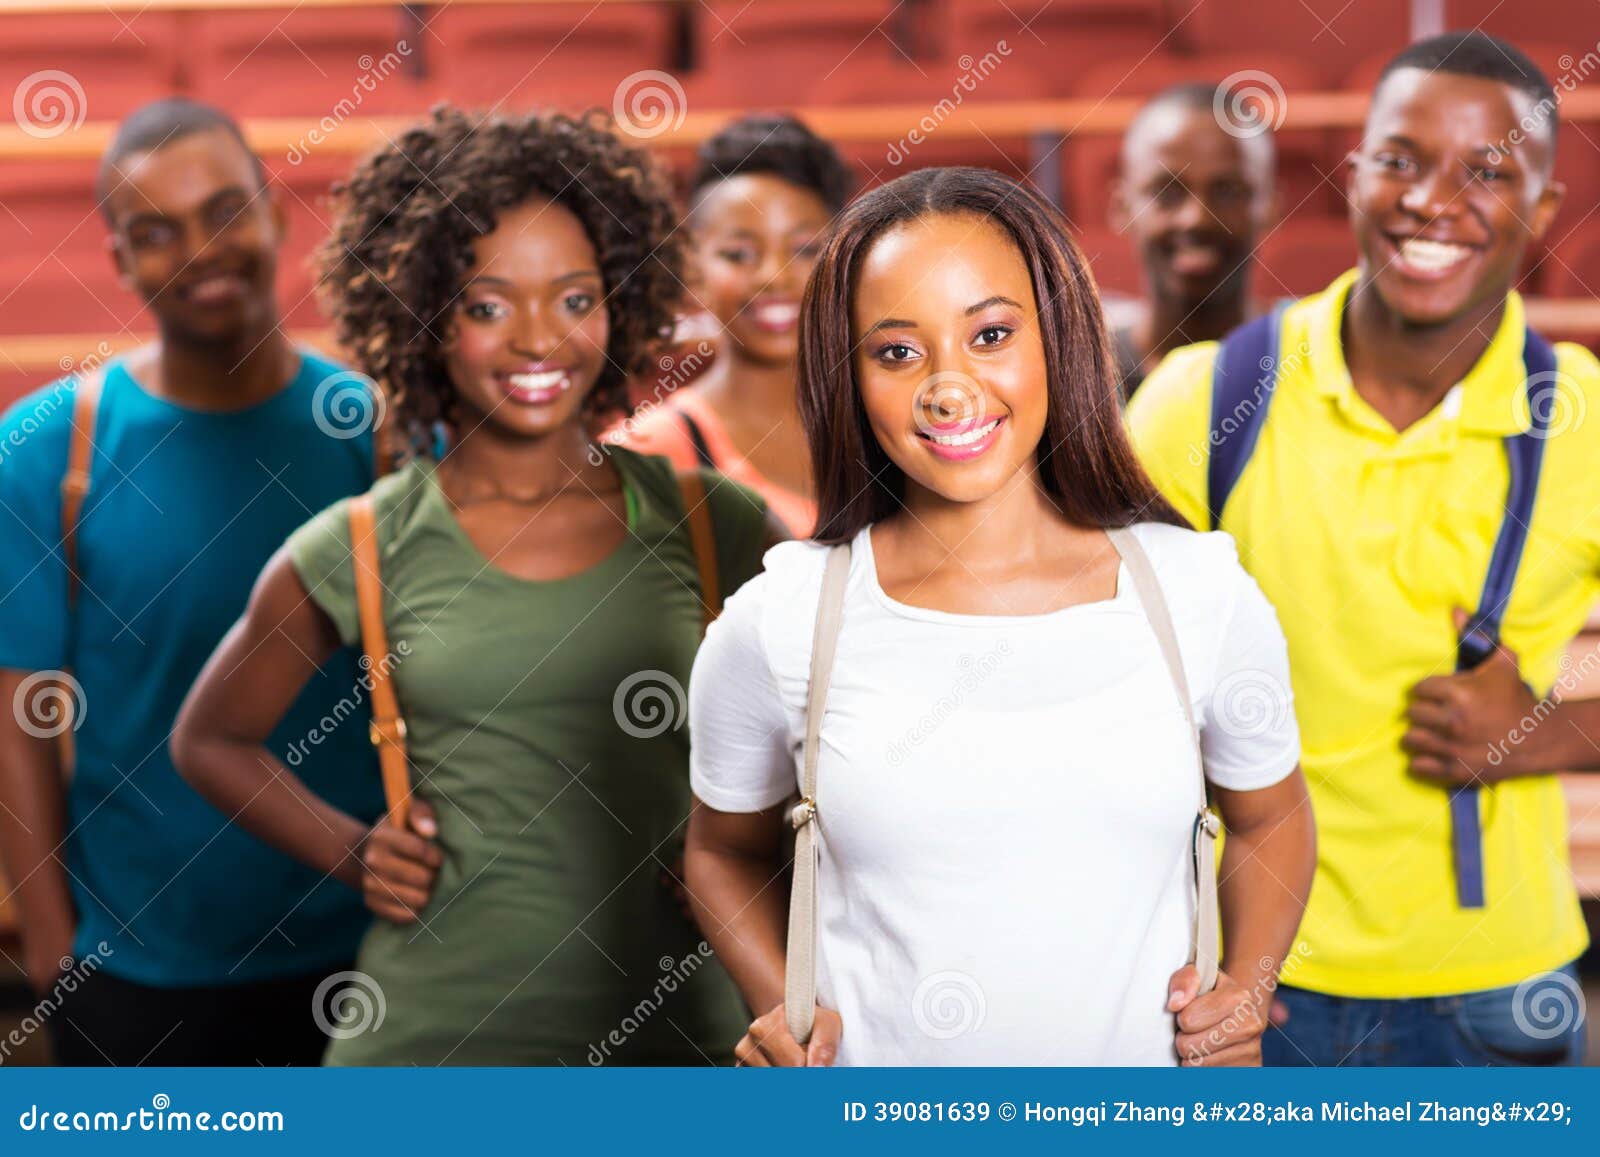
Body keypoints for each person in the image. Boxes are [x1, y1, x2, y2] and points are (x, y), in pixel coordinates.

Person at [172, 107, 778, 1065]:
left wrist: (758, 852)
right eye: (488, 305)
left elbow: (839, 746)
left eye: (576, 299)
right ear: (423, 318)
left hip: (680, 1037)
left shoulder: (717, 525)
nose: (540, 340)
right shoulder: (361, 543)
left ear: (622, 303)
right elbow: (208, 738)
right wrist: (353, 849)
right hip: (430, 1044)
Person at [684, 166, 1315, 1067]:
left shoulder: (1198, 592)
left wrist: (1243, 985)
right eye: (897, 351)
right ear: (849, 374)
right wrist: (780, 1001)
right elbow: (720, 851)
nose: (949, 387)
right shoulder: (782, 620)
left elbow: (1271, 816)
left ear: (1056, 337)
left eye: (989, 334)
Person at [1128, 32, 1599, 1066]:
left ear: (1543, 211)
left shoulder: (1584, 419)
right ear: (1352, 177)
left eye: (1487, 171)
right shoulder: (1205, 399)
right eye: (1400, 158)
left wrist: (1552, 732)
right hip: (1249, 979)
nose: (1434, 199)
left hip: (1495, 990)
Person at [0, 99, 386, 1065]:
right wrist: (51, 937)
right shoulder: (49, 450)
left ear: (276, 214)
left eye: (222, 210)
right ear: (119, 259)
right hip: (134, 965)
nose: (199, 250)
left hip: (366, 947)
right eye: (154, 230)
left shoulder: (375, 429)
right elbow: (15, 709)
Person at [605, 114, 854, 537]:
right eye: (738, 254)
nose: (774, 277)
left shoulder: (890, 422)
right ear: (692, 268)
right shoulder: (643, 457)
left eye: (805, 249)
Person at [1106, 83, 1276, 397]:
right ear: (1122, 207)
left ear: (1270, 204)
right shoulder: (1082, 379)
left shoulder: (1309, 361)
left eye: (1227, 192)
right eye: (1167, 193)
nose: (1196, 219)